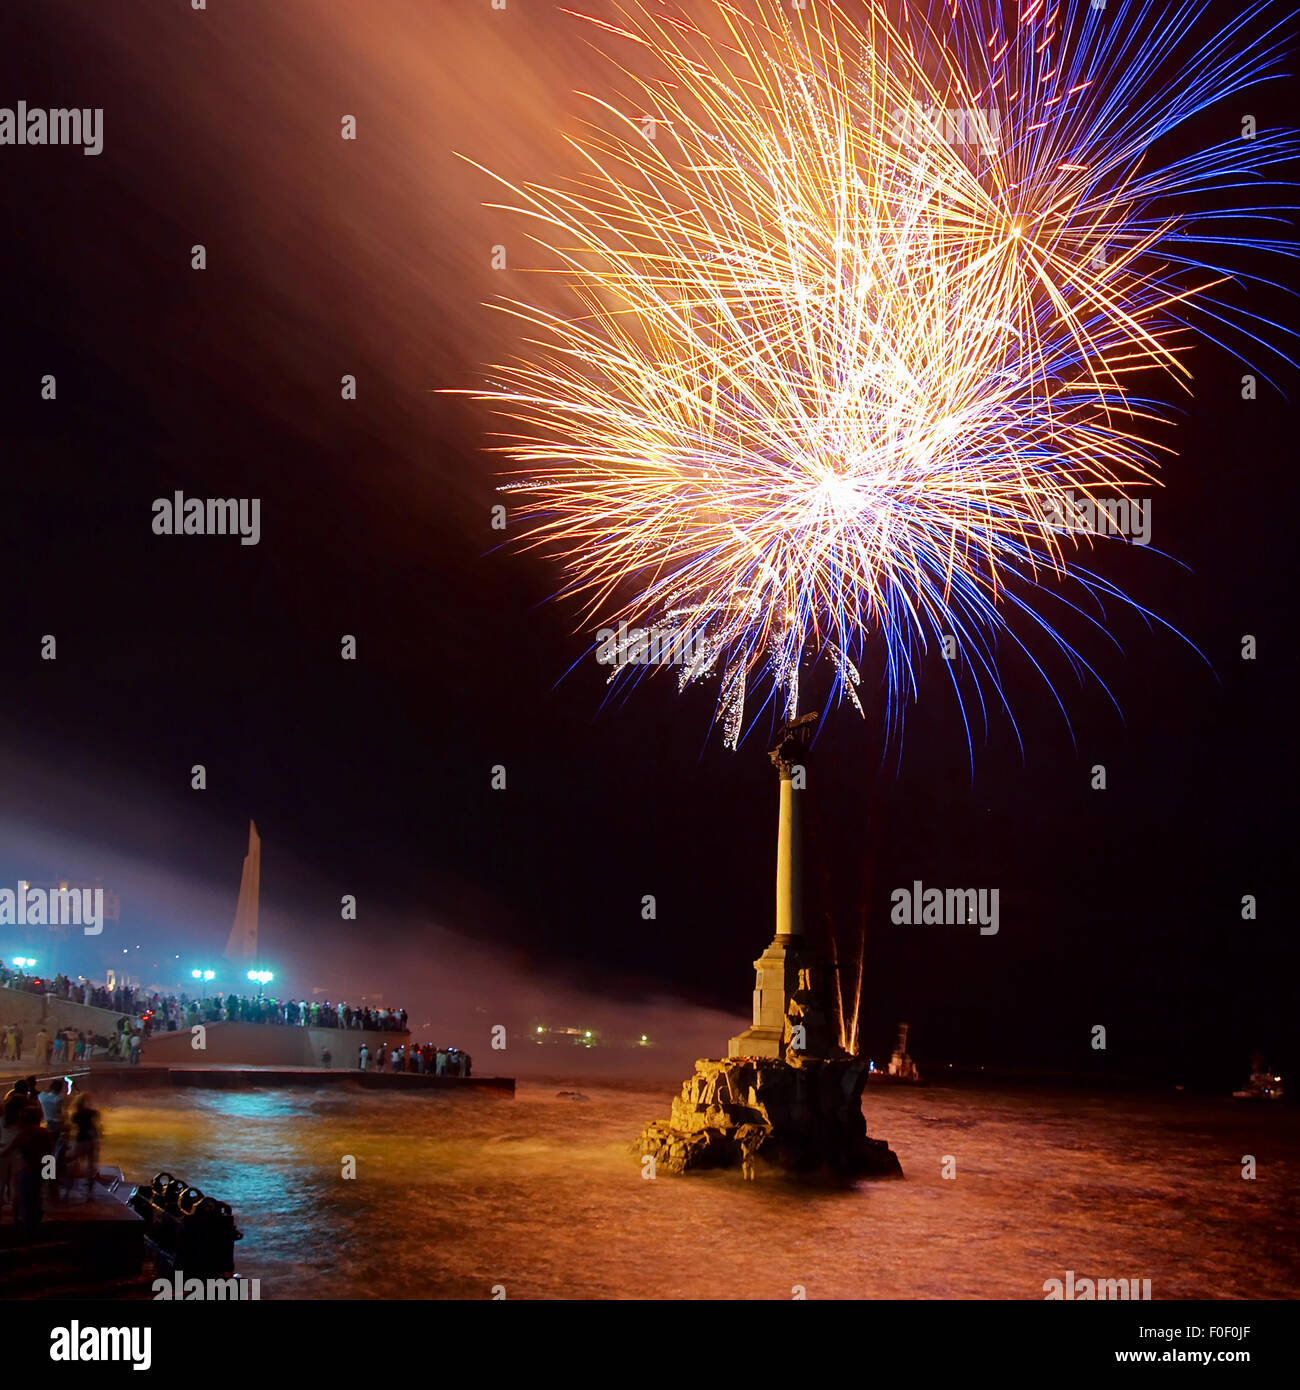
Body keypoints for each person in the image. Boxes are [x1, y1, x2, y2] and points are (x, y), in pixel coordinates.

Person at [62, 1094, 101, 1201]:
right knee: (90, 1167)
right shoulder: (92, 1113)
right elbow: (96, 1125)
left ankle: (67, 1192)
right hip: (90, 1141)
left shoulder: (75, 1115)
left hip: (80, 1140)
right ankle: (90, 1193)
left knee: (73, 1166)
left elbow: (71, 1126)